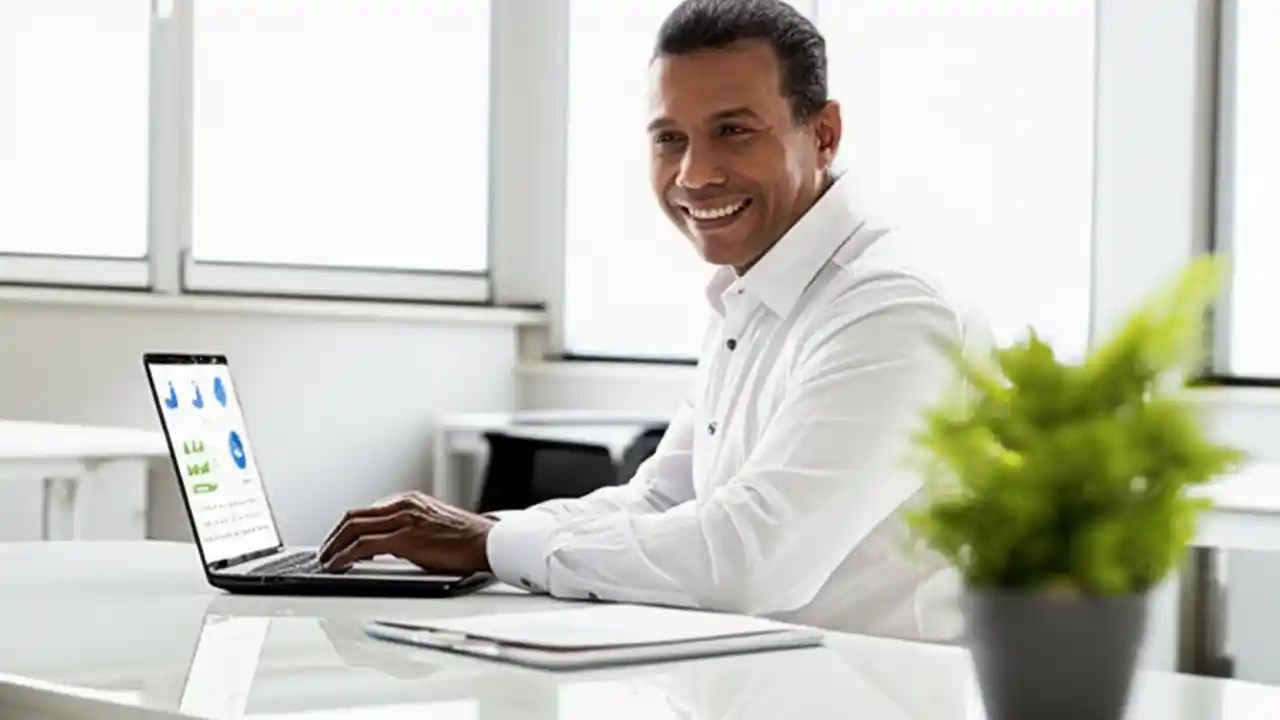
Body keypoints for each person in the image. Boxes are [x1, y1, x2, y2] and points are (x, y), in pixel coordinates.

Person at [319, 0, 985, 640]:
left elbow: (751, 561)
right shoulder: (752, 293)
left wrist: (488, 544)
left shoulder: (891, 307)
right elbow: (660, 501)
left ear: (824, 135)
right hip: (759, 684)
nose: (694, 175)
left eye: (733, 131)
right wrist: (468, 534)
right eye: (671, 139)